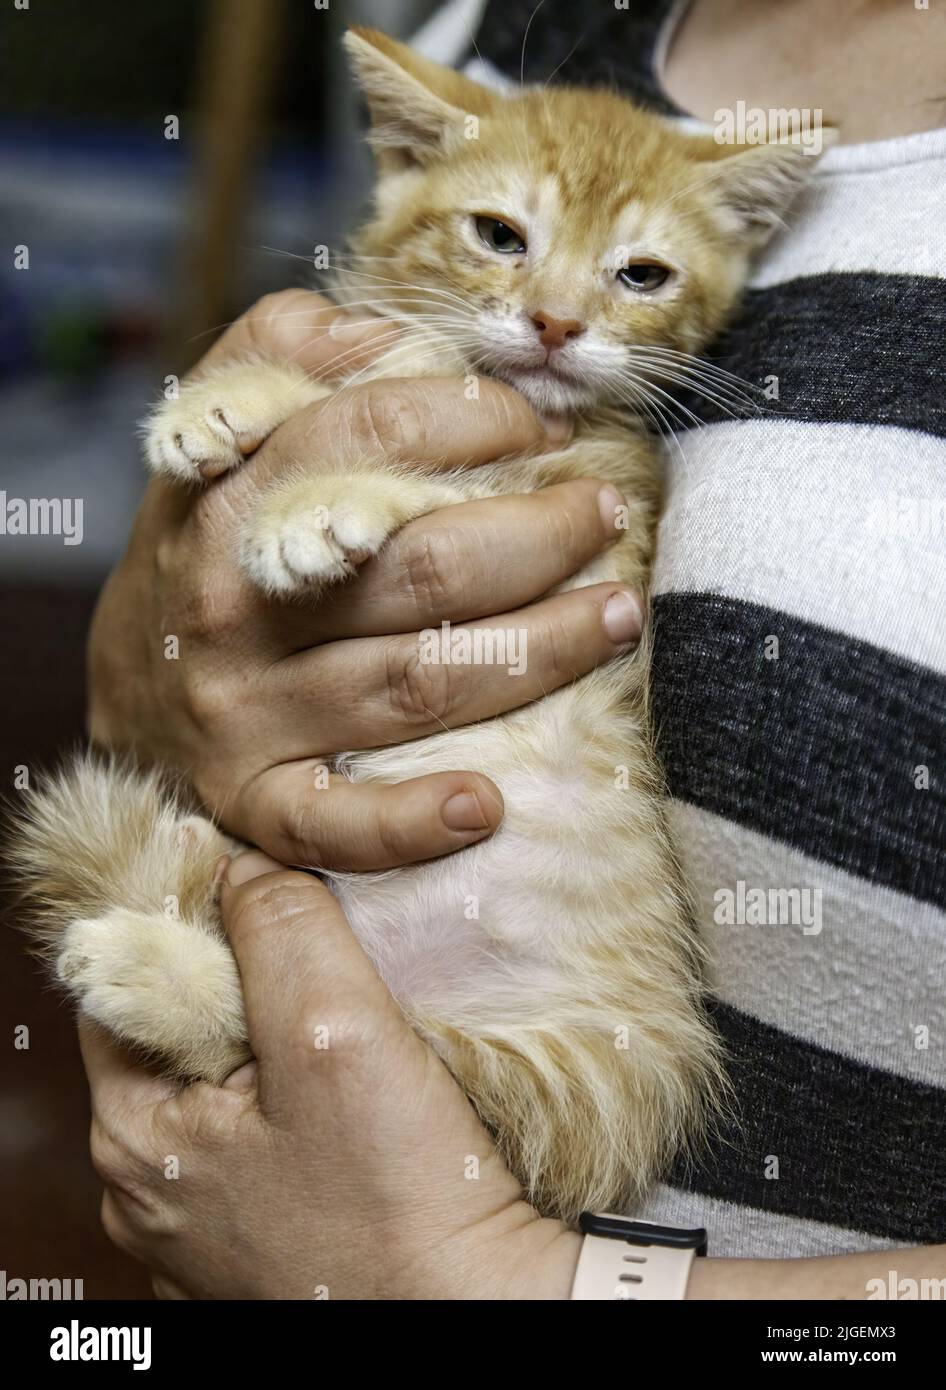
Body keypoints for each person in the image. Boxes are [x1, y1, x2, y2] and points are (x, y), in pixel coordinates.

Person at [80, 0, 946, 1297]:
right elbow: (159, 675)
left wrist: (474, 1277)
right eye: (503, 239)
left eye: (635, 276)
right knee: (90, 838)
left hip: (566, 1072)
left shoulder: (611, 445)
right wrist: (148, 657)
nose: (551, 315)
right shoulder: (508, 24)